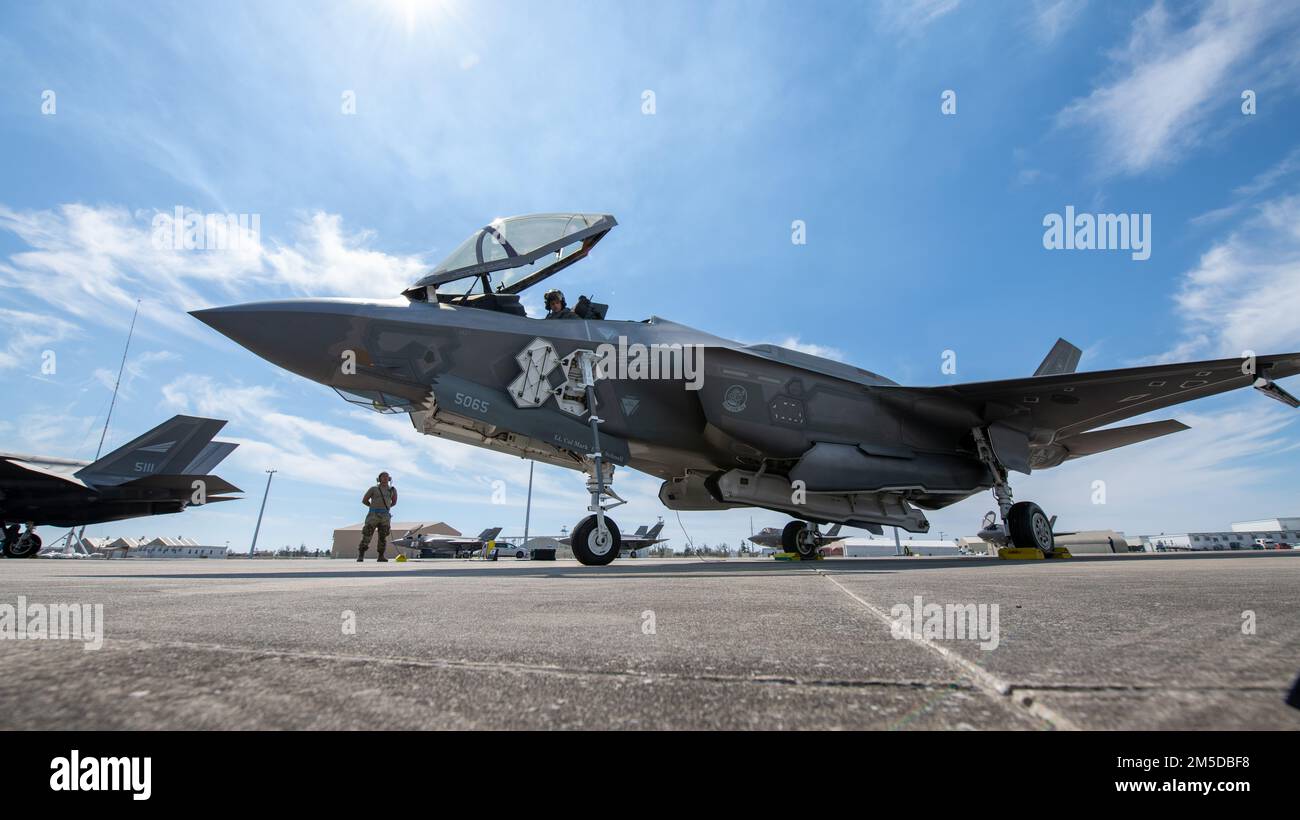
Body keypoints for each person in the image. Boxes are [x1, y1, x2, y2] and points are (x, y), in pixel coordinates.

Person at [358, 471, 397, 562]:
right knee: (367, 534)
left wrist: (386, 509)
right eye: (383, 477)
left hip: (385, 516)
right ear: (379, 479)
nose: (385, 478)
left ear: (389, 479)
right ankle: (361, 555)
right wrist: (373, 507)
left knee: (383, 536)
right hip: (373, 515)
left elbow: (394, 502)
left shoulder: (392, 490)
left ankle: (381, 556)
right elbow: (365, 500)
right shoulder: (373, 489)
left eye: (387, 477)